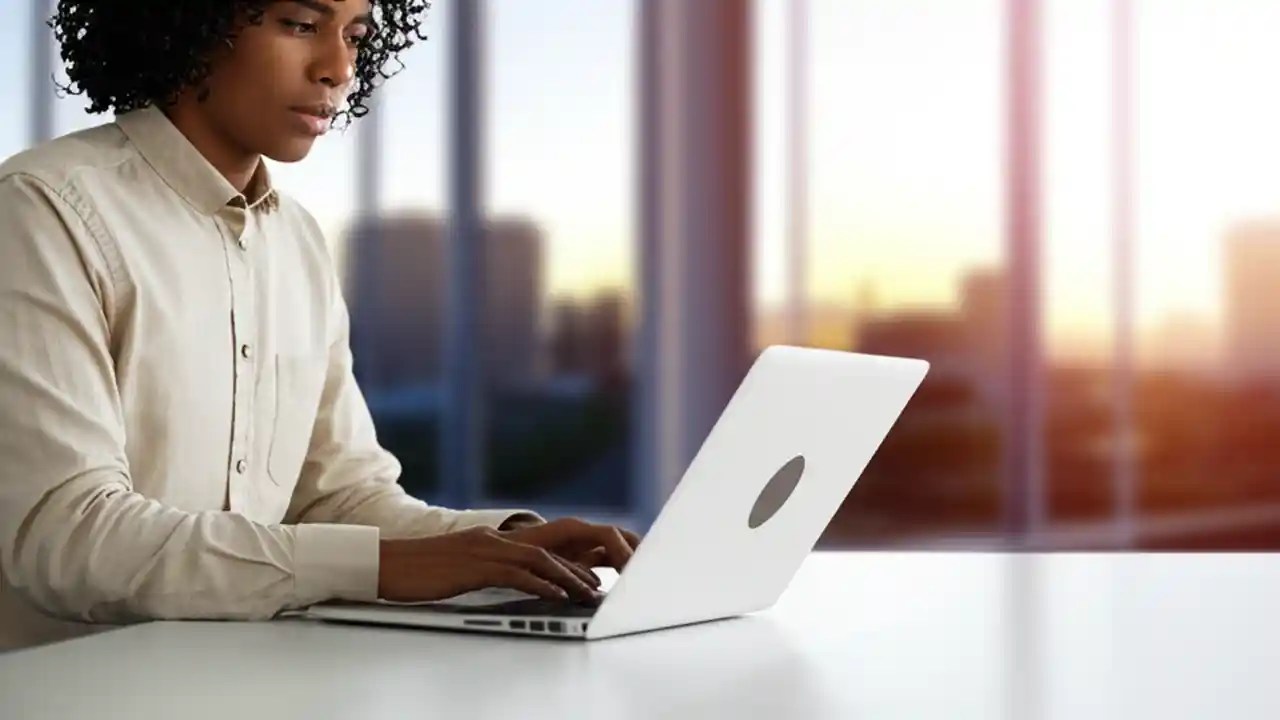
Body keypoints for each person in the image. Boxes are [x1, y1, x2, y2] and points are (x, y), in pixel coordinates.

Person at [0, 0, 639, 651]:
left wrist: (507, 545)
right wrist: (385, 567)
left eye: (355, 37)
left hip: (250, 682)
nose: (338, 69)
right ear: (189, 24)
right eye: (301, 26)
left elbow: (342, 500)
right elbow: (66, 536)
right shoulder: (45, 210)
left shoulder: (298, 242)